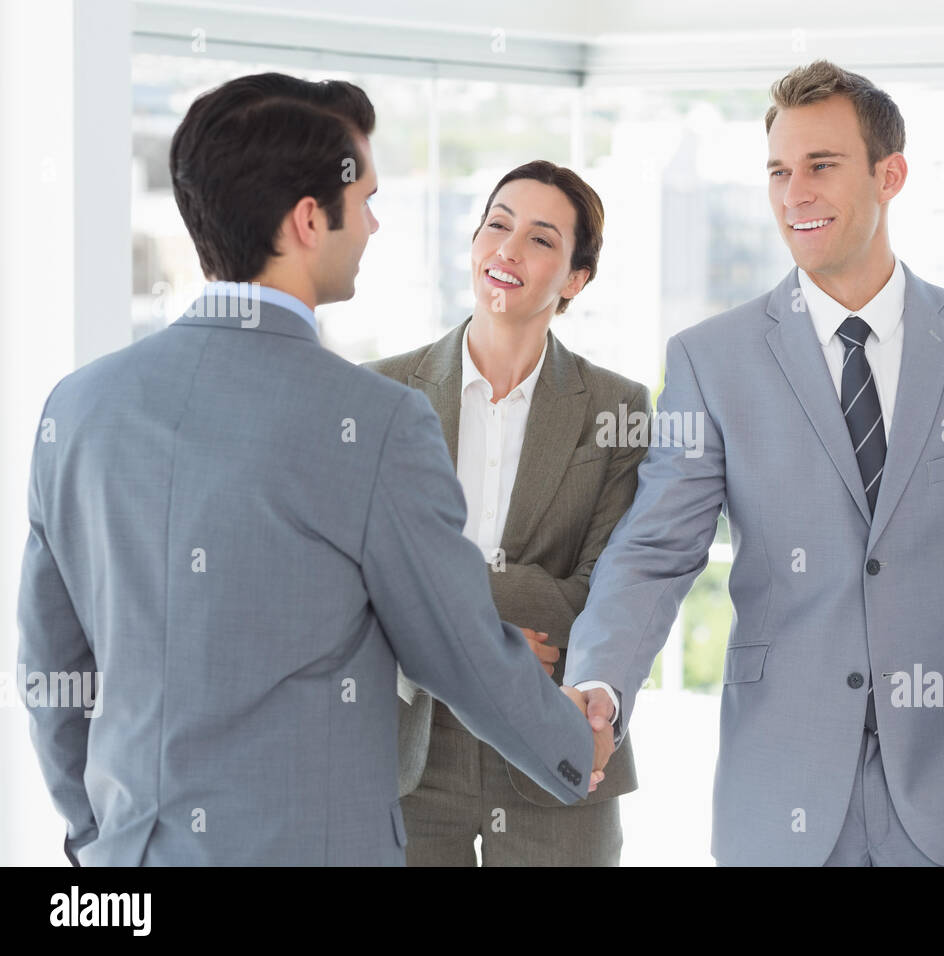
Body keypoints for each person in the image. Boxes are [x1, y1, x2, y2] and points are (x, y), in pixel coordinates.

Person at [17, 72, 610, 867]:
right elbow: (459, 650)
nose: (372, 221)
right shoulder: (375, 422)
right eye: (363, 197)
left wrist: (95, 840)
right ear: (307, 221)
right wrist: (575, 744)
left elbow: (53, 669)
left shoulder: (80, 406)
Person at [562, 59, 944, 866]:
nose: (794, 193)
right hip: (780, 798)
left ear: (890, 174)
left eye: (821, 167)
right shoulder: (711, 359)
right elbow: (655, 551)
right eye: (778, 172)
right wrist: (599, 684)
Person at [366, 160, 648, 866]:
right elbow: (359, 579)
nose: (507, 250)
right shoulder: (379, 394)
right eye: (497, 225)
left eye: (541, 239)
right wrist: (478, 635)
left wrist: (436, 596)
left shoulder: (619, 408)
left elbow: (603, 589)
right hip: (408, 751)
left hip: (557, 738)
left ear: (575, 279)